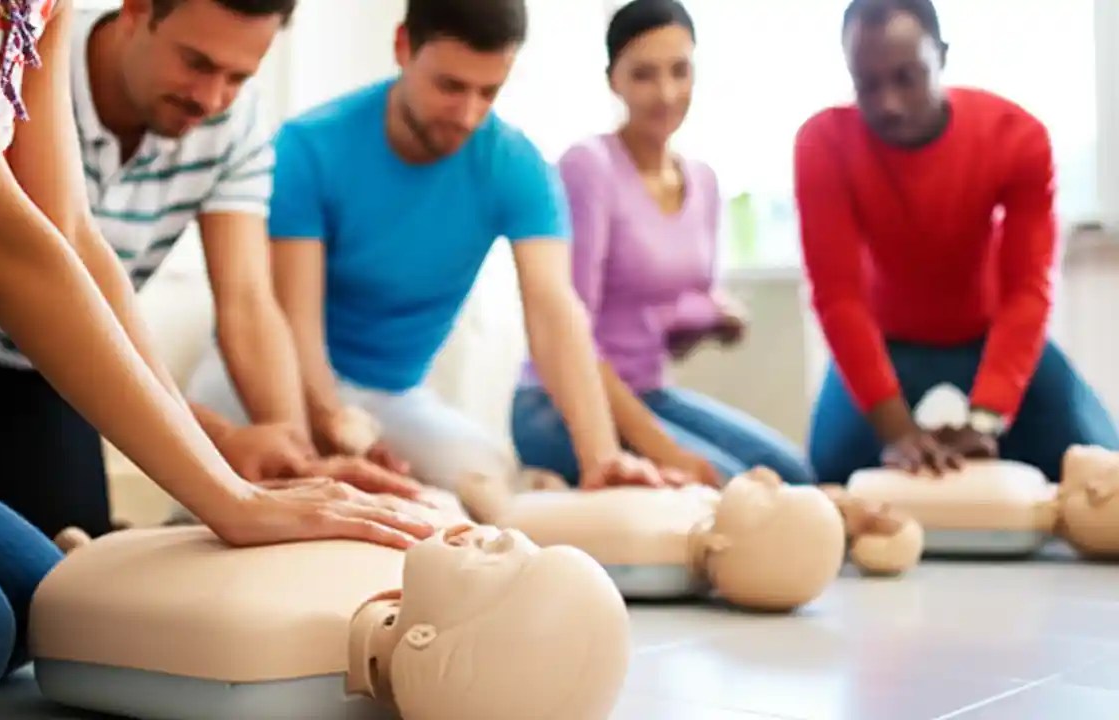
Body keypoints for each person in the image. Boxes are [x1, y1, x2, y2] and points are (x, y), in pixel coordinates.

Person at [0, 2, 433, 719]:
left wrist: (256, 461)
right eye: (197, 63)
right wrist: (229, 497)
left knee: (43, 596)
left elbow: (66, 229)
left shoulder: (34, 8)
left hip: (22, 371)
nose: (212, 96)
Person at [193, 0, 674, 491]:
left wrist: (600, 456)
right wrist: (328, 427)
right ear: (403, 48)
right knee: (229, 483)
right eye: (450, 86)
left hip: (394, 398)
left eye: (489, 92)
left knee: (486, 483)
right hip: (271, 376)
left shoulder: (515, 164)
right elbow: (294, 320)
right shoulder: (310, 146)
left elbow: (554, 308)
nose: (467, 114)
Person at [795, 0, 1119, 485]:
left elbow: (1027, 291)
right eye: (868, 83)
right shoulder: (822, 144)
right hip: (888, 340)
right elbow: (838, 297)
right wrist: (898, 432)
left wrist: (987, 417)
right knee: (831, 465)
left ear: (941, 55)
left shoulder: (1018, 138)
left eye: (907, 77)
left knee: (1099, 458)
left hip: (989, 333)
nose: (888, 103)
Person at [509, 0, 815, 487]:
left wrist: (716, 319)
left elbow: (665, 323)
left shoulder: (705, 181)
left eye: (680, 70)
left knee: (795, 473)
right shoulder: (589, 169)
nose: (667, 92)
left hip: (649, 391)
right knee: (738, 486)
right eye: (644, 74)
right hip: (560, 403)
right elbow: (571, 335)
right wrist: (667, 453)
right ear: (614, 80)